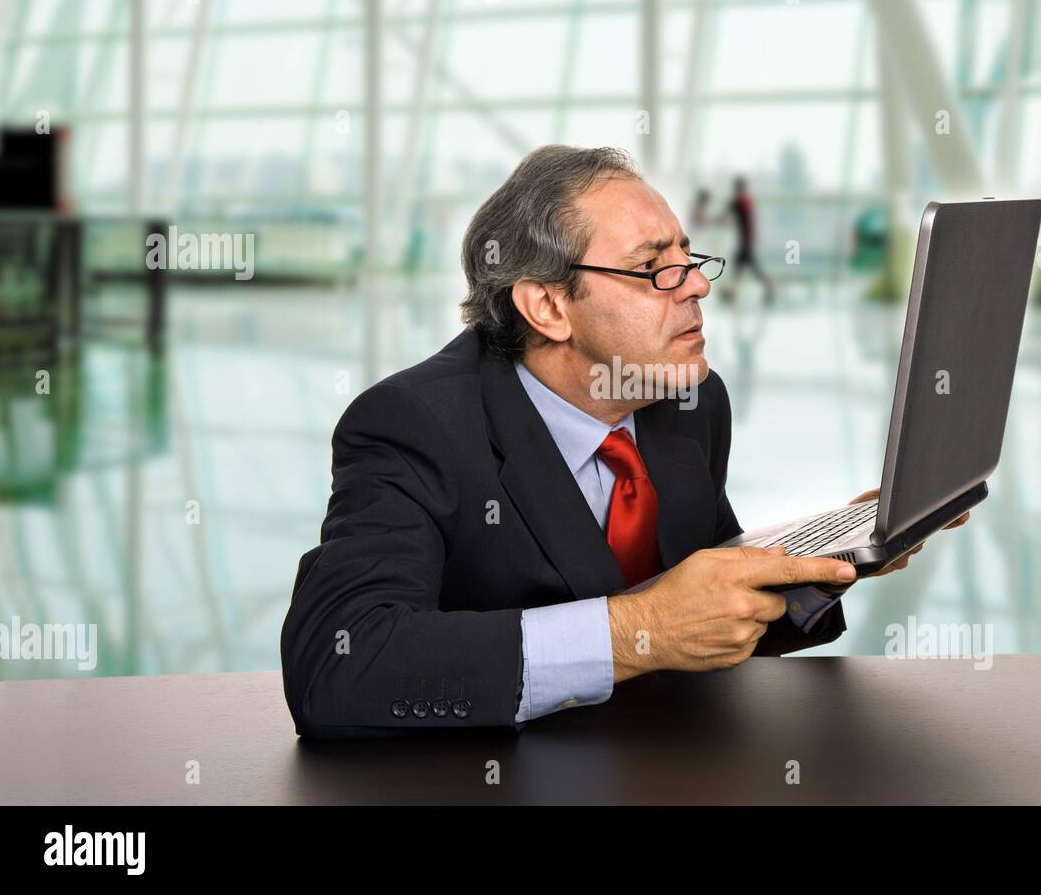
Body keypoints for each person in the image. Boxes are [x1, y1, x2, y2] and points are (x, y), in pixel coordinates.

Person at [280, 145, 966, 736]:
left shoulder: (691, 401)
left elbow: (701, 607)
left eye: (689, 257)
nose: (697, 284)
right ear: (548, 307)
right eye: (653, 269)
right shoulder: (413, 426)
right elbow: (340, 665)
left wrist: (828, 559)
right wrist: (637, 631)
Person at [723, 176, 774, 304]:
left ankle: (767, 287)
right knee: (742, 267)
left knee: (747, 267)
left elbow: (726, 217)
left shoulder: (739, 202)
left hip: (745, 241)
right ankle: (733, 293)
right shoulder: (745, 201)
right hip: (747, 240)